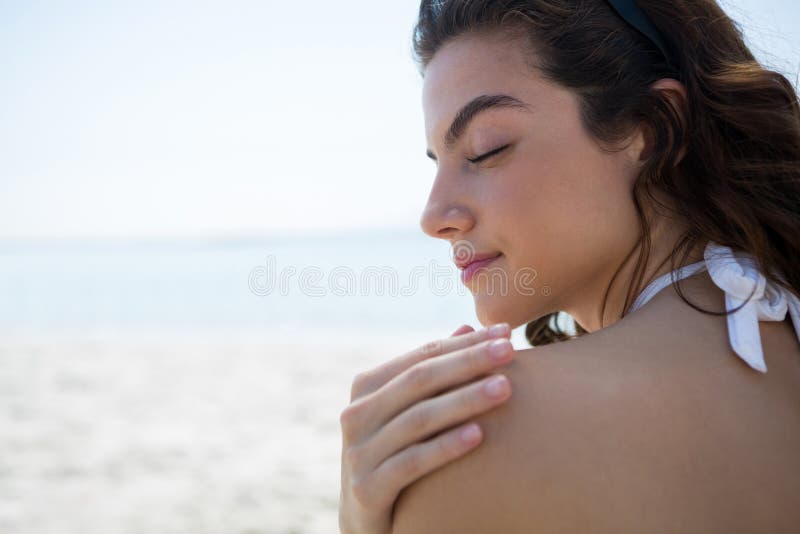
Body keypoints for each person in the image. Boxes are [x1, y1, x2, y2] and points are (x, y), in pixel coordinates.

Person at [339, 1, 800, 532]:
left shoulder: (478, 434)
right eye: (437, 162)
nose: (434, 216)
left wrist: (360, 523)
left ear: (652, 128)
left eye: (487, 149)